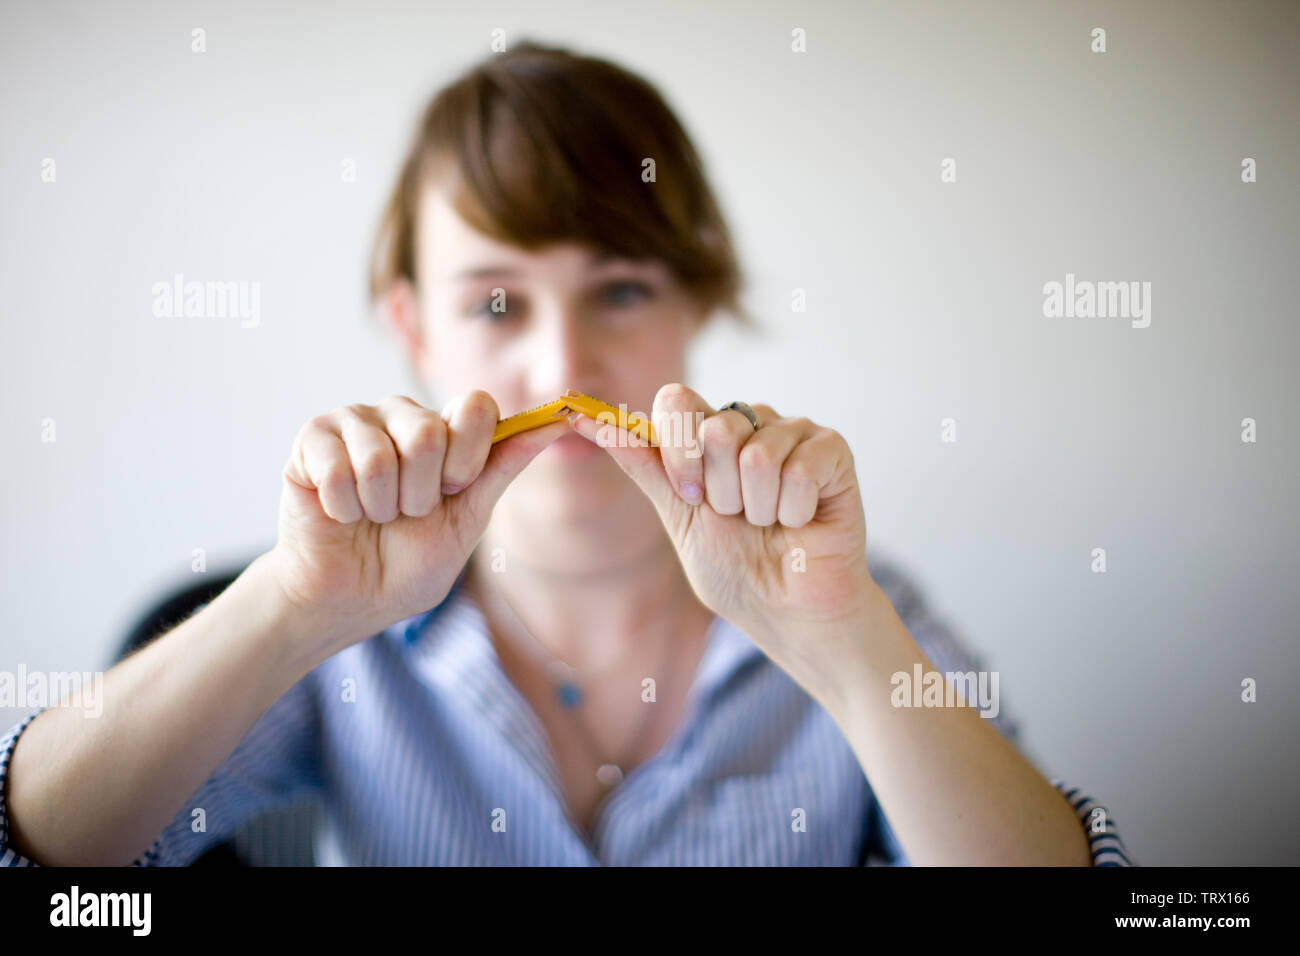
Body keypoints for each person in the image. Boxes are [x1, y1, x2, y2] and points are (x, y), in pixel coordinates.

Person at [0, 41, 1132, 866]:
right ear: (414, 328)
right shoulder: (339, 649)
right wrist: (294, 606)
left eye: (622, 288)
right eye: (497, 300)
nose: (565, 363)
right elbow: (40, 856)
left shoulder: (855, 606)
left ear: (698, 306)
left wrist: (842, 647)